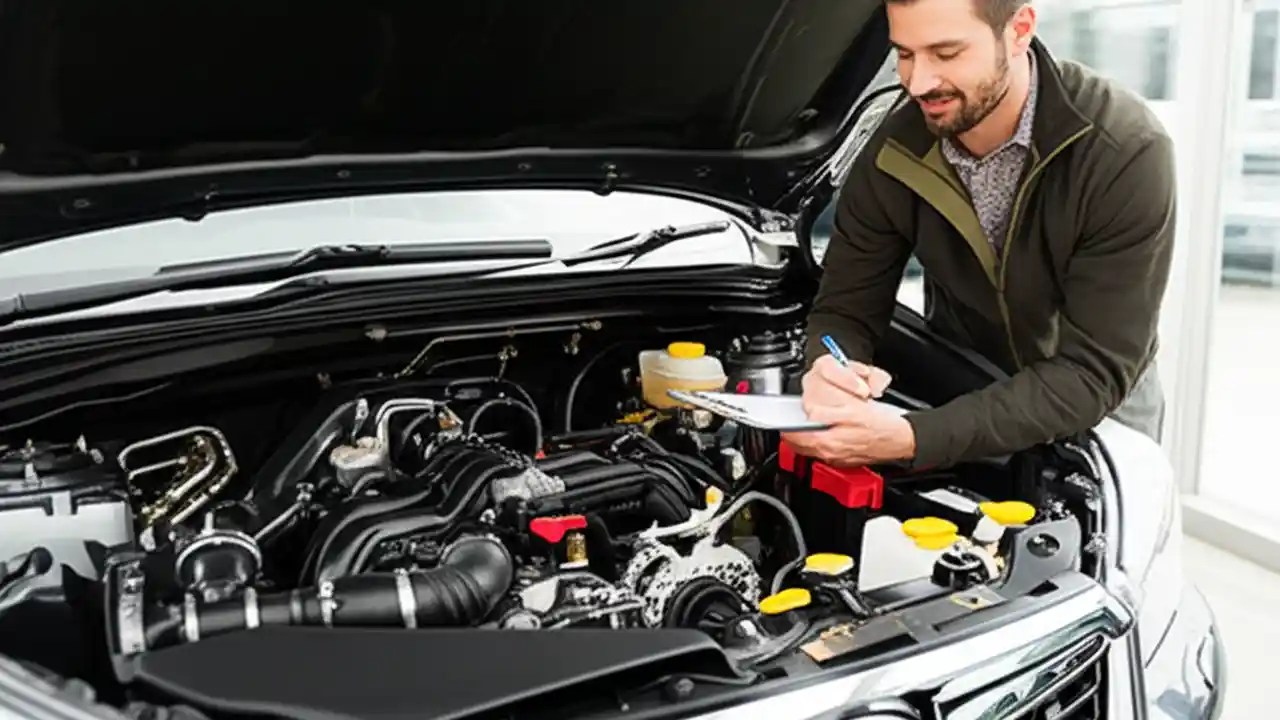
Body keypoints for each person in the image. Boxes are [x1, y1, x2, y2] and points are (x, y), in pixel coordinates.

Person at [782, 0, 1176, 471]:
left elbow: (1092, 371)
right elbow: (846, 309)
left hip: (1103, 422)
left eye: (945, 53)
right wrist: (829, 368)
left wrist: (914, 437)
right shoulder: (894, 150)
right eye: (904, 54)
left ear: (1019, 30)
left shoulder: (1124, 151)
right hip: (967, 393)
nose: (918, 82)